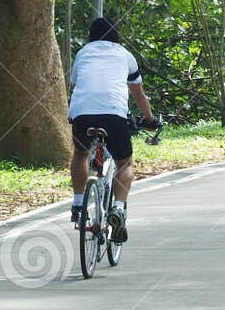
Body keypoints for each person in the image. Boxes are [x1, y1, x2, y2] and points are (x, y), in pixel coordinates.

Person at [68, 16, 158, 242]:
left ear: (91, 35)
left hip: (82, 112)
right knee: (125, 164)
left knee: (80, 153)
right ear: (117, 36)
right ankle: (118, 208)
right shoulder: (125, 55)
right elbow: (138, 93)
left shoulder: (83, 53)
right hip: (114, 113)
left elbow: (77, 83)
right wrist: (149, 118)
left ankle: (78, 203)